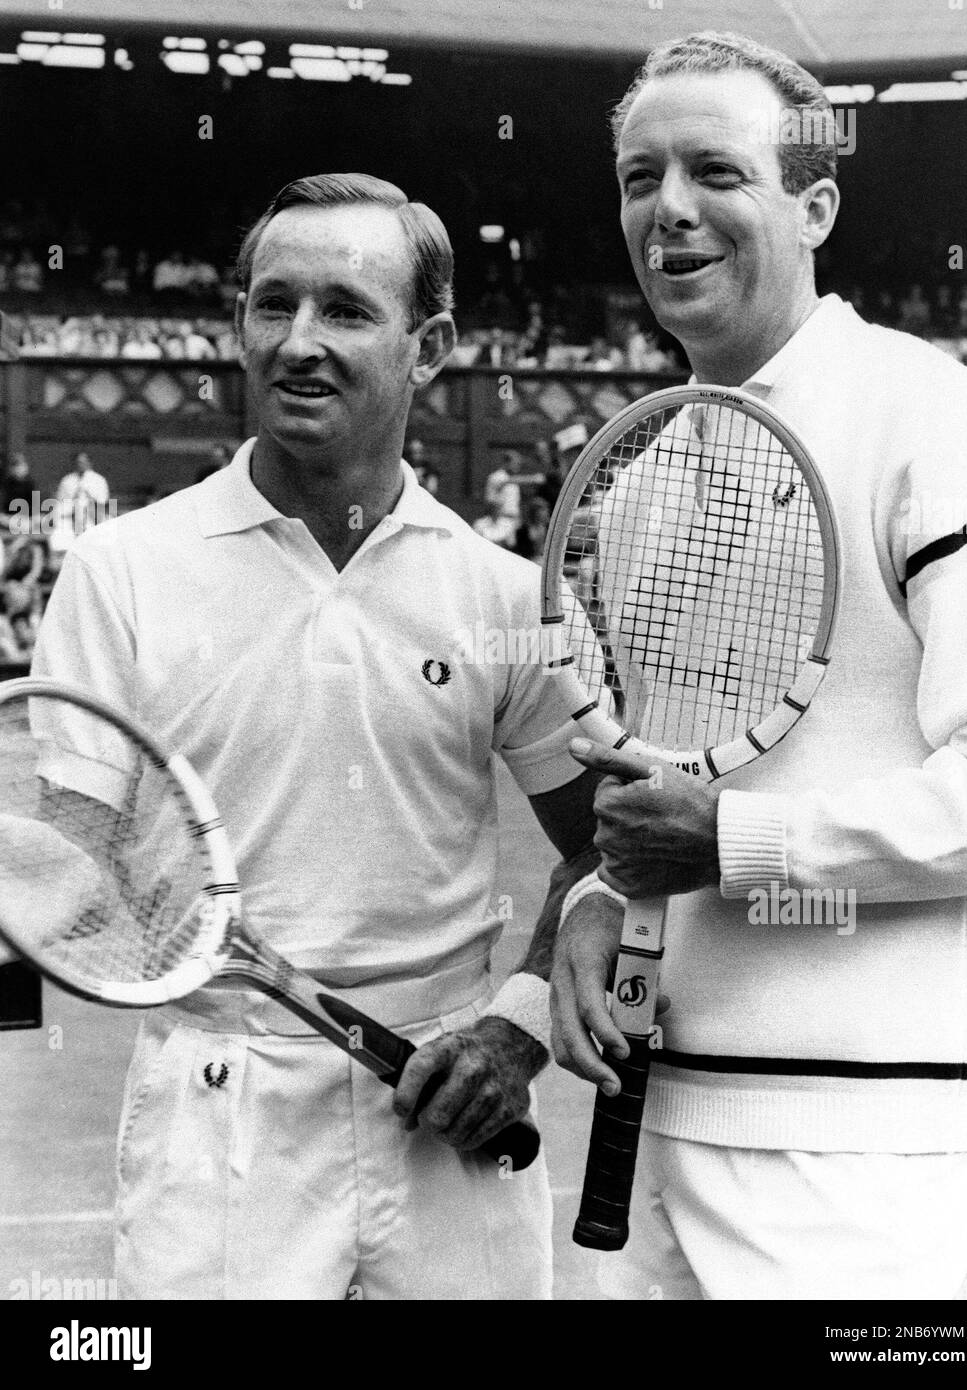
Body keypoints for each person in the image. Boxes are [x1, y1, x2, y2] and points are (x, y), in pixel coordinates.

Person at [32, 172, 600, 1301]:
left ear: (428, 343)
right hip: (214, 1098)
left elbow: (604, 849)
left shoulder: (506, 595)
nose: (298, 342)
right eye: (270, 304)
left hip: (453, 1099)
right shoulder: (119, 572)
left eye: (345, 309)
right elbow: (64, 872)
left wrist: (516, 1028)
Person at [551, 30, 967, 1302]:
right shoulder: (642, 480)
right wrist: (600, 904)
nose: (670, 210)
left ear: (813, 205)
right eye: (640, 178)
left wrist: (738, 846)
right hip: (656, 1115)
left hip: (862, 1149)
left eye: (714, 170)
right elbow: (663, 797)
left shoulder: (945, 427)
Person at [54, 451, 111, 541]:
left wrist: (89, 499)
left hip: (93, 514)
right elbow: (60, 501)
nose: (81, 465)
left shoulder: (99, 480)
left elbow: (103, 501)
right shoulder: (67, 480)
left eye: (83, 462)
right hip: (71, 514)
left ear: (89, 462)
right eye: (79, 462)